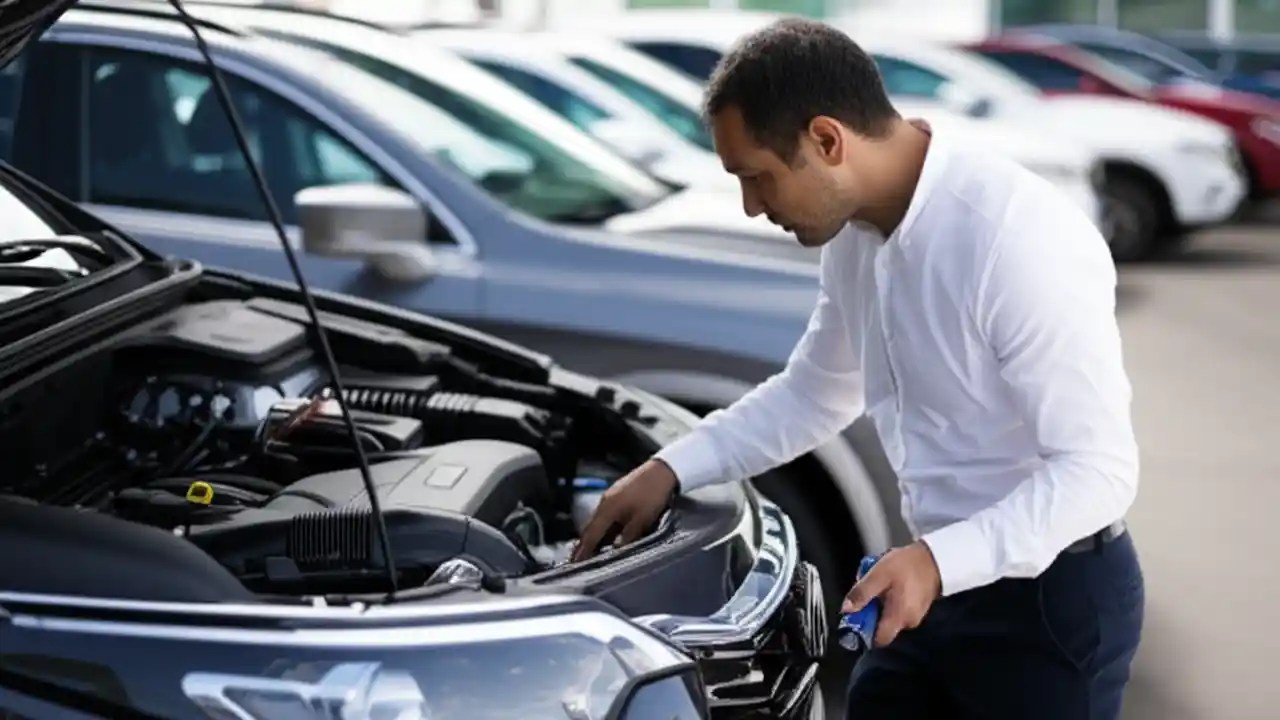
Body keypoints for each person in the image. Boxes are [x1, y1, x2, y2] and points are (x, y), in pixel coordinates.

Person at [571, 16, 1145, 720]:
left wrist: (938, 562)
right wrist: (671, 468)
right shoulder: (855, 237)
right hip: (930, 582)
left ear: (826, 141)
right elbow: (816, 392)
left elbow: (1098, 470)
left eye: (758, 178)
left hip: (1051, 605)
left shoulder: (1016, 238)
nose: (753, 207)